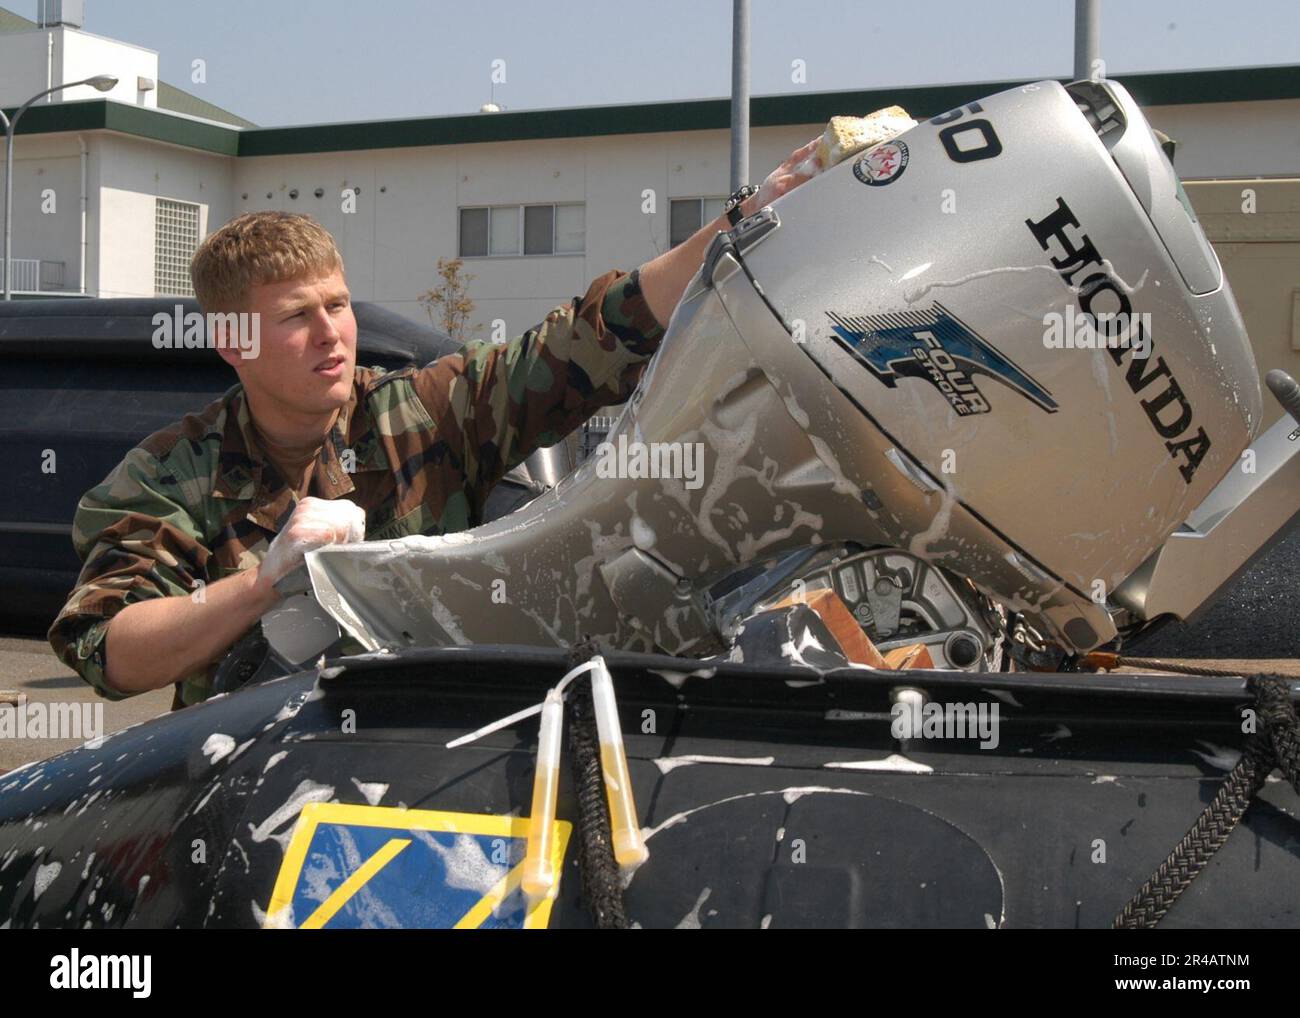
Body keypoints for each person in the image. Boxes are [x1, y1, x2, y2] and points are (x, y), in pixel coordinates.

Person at [48, 137, 823, 709]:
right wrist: (262, 585)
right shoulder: (172, 472)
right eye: (296, 317)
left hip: (436, 757)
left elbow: (589, 336)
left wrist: (744, 220)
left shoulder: (424, 413)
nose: (331, 333)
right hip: (254, 781)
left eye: (339, 305)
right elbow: (109, 650)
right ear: (233, 341)